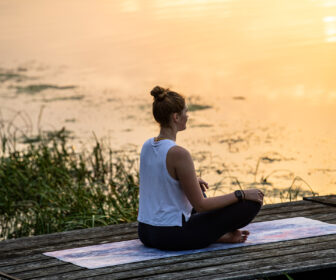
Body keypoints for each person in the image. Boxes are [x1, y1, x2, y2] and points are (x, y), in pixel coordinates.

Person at [137, 85, 264, 251]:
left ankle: (214, 235)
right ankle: (217, 235)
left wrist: (190, 180)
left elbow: (158, 179)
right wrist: (241, 194)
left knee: (198, 188)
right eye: (185, 111)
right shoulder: (179, 153)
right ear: (176, 117)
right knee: (251, 203)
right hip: (171, 236)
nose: (187, 115)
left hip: (145, 232)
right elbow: (201, 206)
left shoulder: (148, 145)